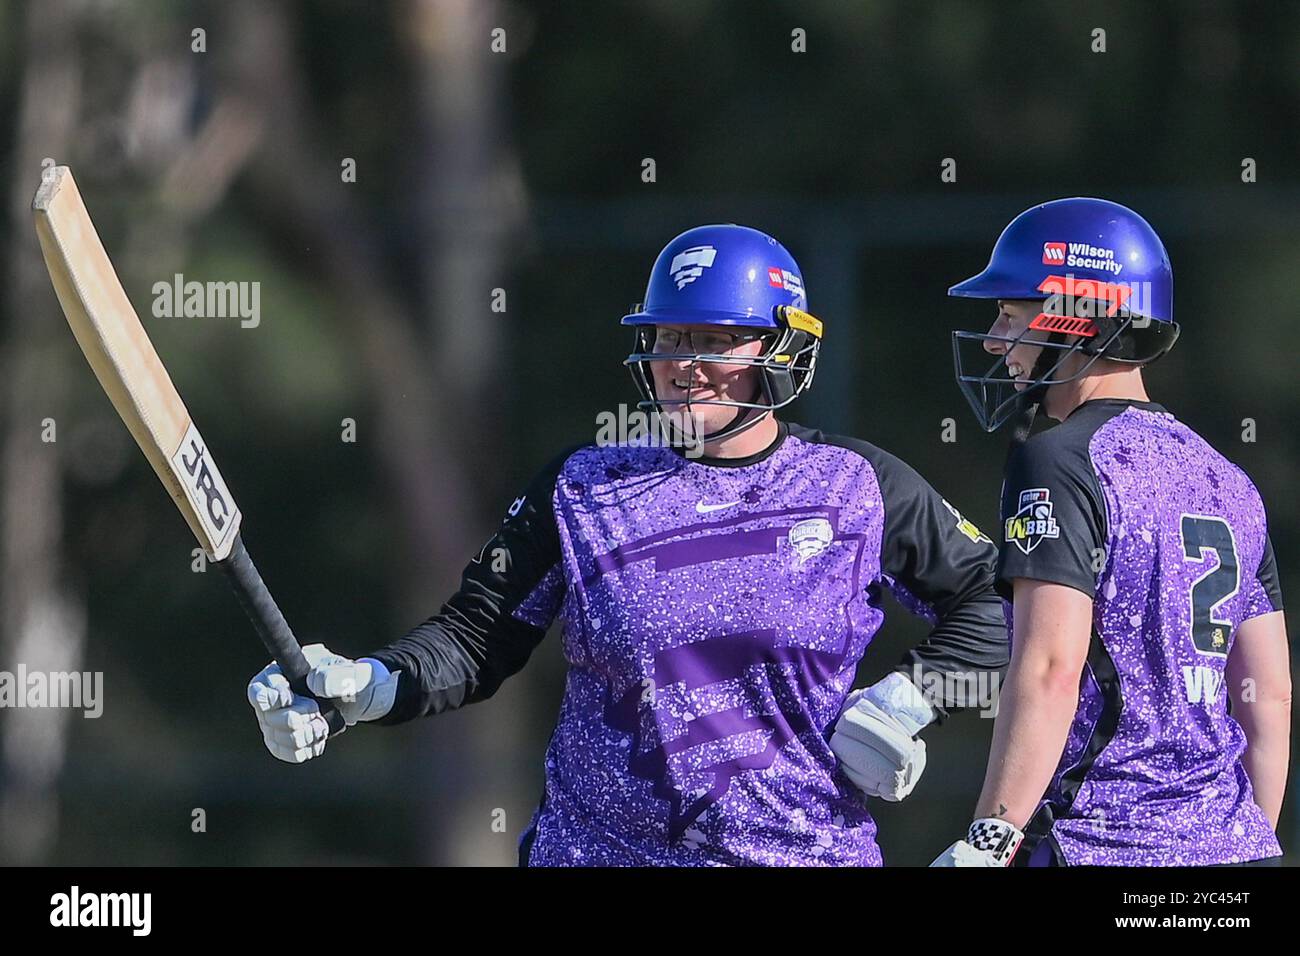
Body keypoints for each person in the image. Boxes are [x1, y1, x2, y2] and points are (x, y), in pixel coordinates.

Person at [247, 223, 1008, 866]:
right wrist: (366, 686)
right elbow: (474, 638)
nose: (686, 364)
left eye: (717, 339)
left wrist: (910, 699)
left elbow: (1000, 599)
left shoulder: (858, 486)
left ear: (781, 351)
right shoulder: (582, 486)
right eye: (671, 338)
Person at [935, 198, 1289, 867]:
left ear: (1077, 319)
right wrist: (1246, 840)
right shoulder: (1228, 477)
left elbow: (1049, 671)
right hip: (1237, 853)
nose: (991, 339)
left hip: (1101, 843)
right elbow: (1269, 692)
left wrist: (989, 839)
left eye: (1010, 315)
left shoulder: (1059, 458)